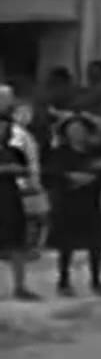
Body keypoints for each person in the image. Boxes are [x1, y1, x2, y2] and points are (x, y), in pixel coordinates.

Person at [46, 115, 101, 296]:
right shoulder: (59, 153)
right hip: (67, 203)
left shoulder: (95, 152)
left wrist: (91, 180)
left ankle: (96, 280)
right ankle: (63, 281)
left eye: (80, 130)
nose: (77, 133)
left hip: (91, 202)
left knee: (96, 244)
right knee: (66, 245)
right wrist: (70, 178)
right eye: (73, 130)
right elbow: (52, 174)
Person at [0, 111, 39, 300]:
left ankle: (19, 286)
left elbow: (26, 169)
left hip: (10, 198)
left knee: (16, 244)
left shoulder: (14, 150)